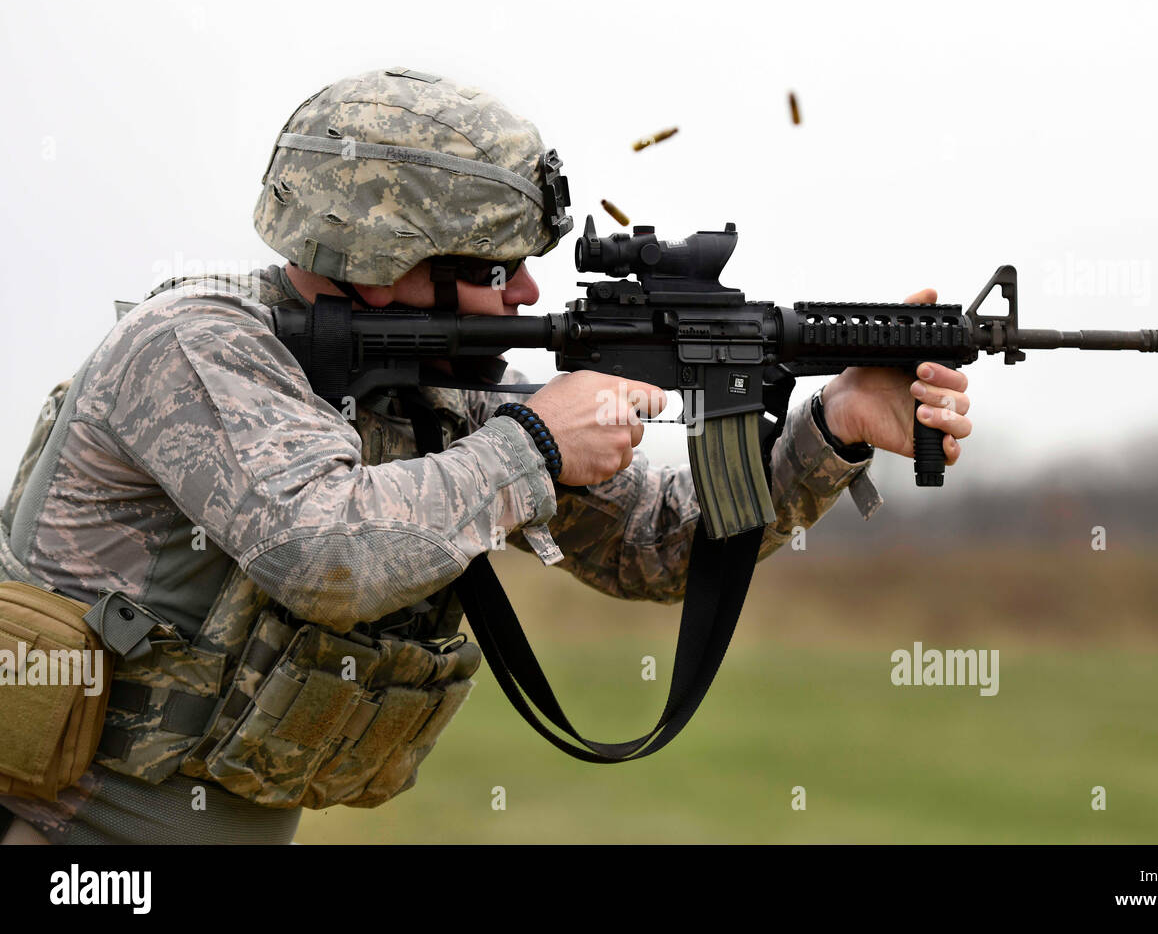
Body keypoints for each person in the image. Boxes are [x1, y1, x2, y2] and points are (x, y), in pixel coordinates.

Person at [0, 68, 972, 844]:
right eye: (498, 266)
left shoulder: (442, 384)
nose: (527, 290)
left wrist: (834, 424)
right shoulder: (197, 346)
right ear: (388, 264)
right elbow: (324, 550)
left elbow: (661, 545)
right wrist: (540, 441)